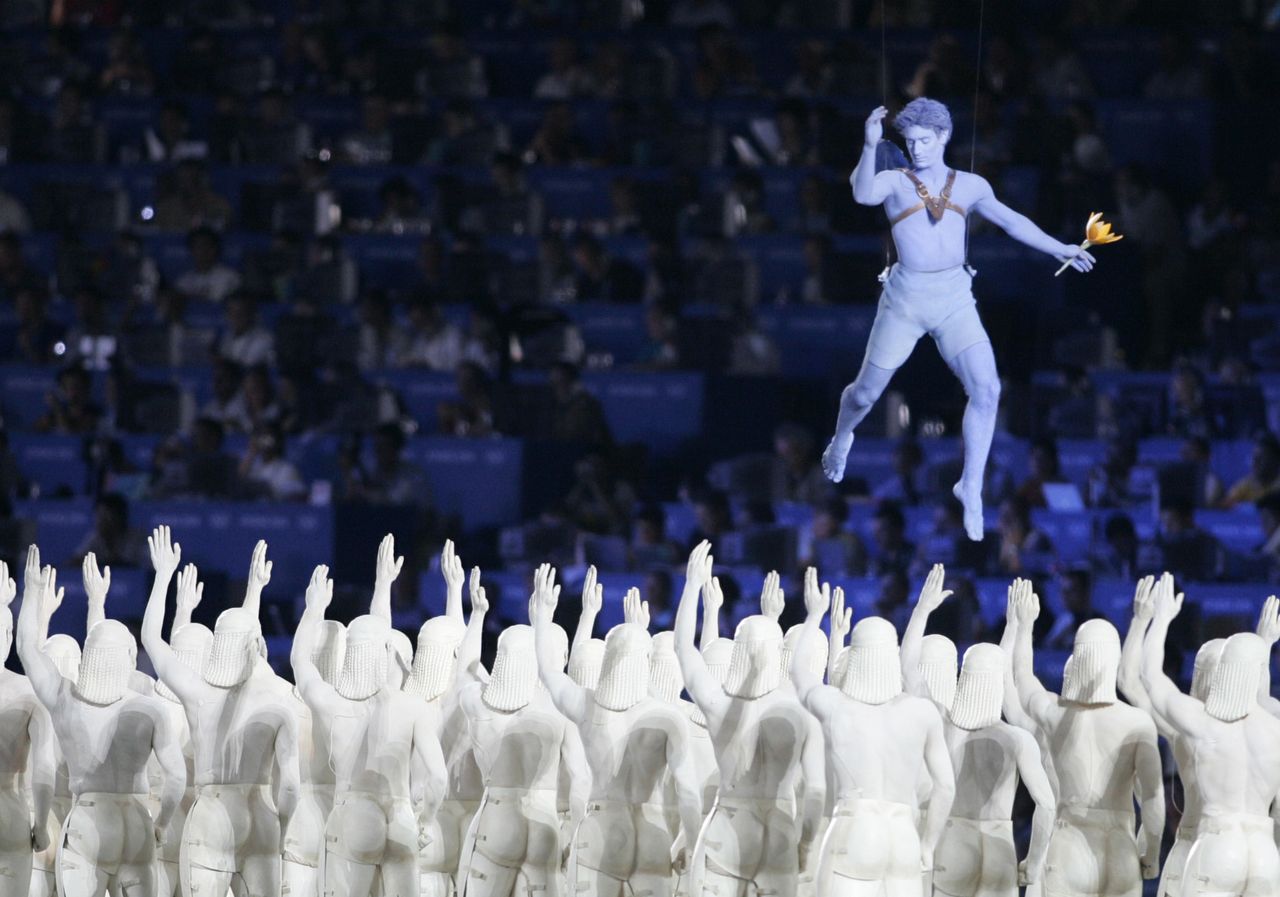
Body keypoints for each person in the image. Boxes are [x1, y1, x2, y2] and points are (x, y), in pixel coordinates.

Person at [823, 98, 1096, 541]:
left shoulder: (969, 185)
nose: (917, 150)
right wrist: (871, 145)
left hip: (953, 297)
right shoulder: (894, 179)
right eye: (910, 142)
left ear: (945, 138)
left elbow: (1011, 221)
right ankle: (841, 439)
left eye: (926, 141)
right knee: (864, 394)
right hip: (906, 300)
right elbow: (861, 193)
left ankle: (971, 485)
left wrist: (1060, 247)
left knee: (988, 389)